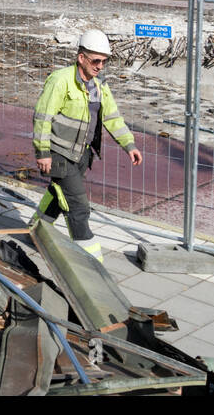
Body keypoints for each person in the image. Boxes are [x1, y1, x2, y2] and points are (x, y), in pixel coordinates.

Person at [31, 29, 142, 262]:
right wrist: (42, 153)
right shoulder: (61, 80)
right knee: (79, 208)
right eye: (96, 60)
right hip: (58, 153)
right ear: (81, 57)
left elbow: (112, 118)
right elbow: (43, 117)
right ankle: (91, 263)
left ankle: (34, 231)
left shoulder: (99, 86)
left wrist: (129, 145)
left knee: (57, 193)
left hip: (81, 154)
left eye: (104, 61)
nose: (100, 66)